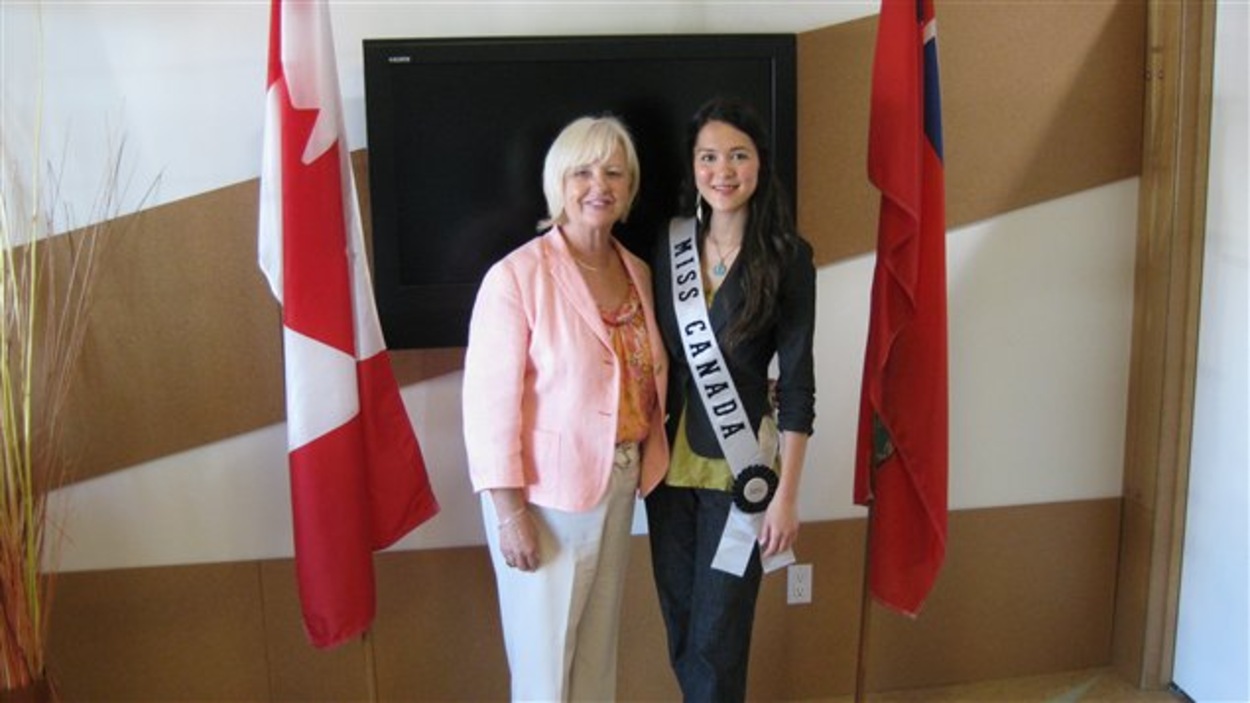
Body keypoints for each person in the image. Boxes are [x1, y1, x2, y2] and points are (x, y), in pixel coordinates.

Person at [461, 115, 670, 702]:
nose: (599, 185)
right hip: (544, 502)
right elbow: (487, 411)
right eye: (583, 172)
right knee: (545, 672)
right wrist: (509, 514)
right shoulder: (516, 277)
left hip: (621, 481)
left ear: (630, 187)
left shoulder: (638, 271)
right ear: (558, 182)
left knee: (596, 659)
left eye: (613, 173)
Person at [647, 97, 816, 702]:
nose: (723, 171)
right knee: (683, 630)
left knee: (718, 641)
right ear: (693, 166)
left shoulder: (788, 258)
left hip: (740, 478)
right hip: (667, 475)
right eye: (709, 157)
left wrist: (786, 497)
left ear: (760, 164)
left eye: (738, 156)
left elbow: (797, 384)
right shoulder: (668, 246)